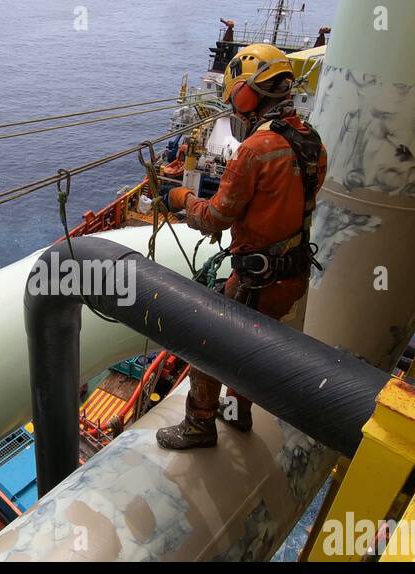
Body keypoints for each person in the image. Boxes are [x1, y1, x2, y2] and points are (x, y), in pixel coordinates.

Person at [155, 43, 328, 450]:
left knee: (208, 343)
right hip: (294, 272)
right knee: (255, 347)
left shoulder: (255, 149)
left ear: (247, 93)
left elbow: (215, 217)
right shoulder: (310, 140)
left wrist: (179, 199)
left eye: (234, 96)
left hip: (257, 278)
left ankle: (199, 426)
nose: (233, 106)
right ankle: (238, 412)